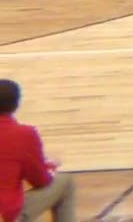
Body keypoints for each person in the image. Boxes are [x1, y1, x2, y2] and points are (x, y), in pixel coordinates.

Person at [0, 79, 76, 222]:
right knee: (65, 182)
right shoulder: (23, 134)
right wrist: (50, 166)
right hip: (5, 214)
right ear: (16, 104)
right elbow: (40, 180)